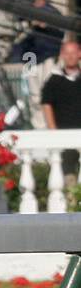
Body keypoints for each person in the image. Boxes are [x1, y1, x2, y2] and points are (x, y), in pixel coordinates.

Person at [41, 40, 81, 182]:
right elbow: (46, 104)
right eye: (67, 53)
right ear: (62, 55)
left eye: (73, 53)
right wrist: (53, 129)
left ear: (79, 54)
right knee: (68, 177)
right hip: (64, 134)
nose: (70, 56)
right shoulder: (54, 81)